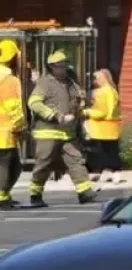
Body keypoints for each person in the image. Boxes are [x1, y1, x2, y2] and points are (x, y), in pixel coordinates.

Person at [26, 50, 98, 206]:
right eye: (59, 66)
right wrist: (55, 115)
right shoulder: (45, 83)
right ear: (52, 67)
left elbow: (78, 102)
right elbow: (34, 103)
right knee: (43, 164)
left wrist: (82, 104)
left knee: (75, 160)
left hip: (68, 133)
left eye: (65, 66)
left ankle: (84, 192)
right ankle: (35, 195)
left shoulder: (71, 83)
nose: (63, 69)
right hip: (47, 132)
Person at [83, 68, 124, 184]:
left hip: (100, 127)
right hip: (110, 127)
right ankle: (109, 172)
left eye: (96, 78)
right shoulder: (112, 91)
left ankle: (105, 171)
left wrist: (87, 112)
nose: (95, 80)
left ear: (103, 78)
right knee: (110, 151)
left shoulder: (102, 92)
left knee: (100, 151)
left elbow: (103, 111)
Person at [0, 39, 26, 210]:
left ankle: (5, 196)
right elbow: (13, 107)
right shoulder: (8, 80)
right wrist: (20, 127)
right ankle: (2, 197)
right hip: (5, 131)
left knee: (12, 165)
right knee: (9, 165)